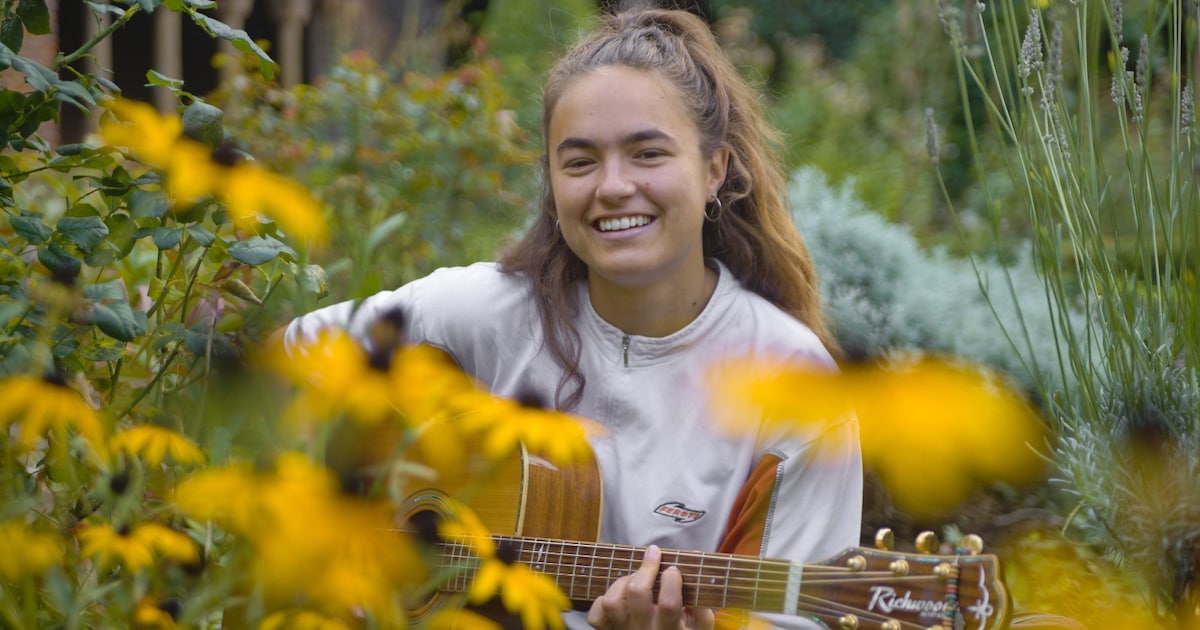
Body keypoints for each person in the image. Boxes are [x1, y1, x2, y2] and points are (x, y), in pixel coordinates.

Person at [283, 6, 862, 629]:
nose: (612, 186)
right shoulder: (481, 312)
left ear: (714, 168)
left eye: (647, 154)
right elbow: (293, 355)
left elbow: (801, 619)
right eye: (580, 161)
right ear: (553, 183)